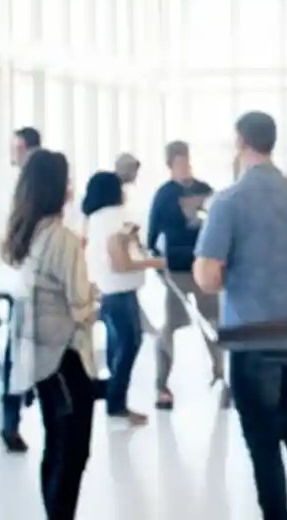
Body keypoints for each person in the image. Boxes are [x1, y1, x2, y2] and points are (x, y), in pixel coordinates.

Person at [194, 111, 287, 520]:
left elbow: (207, 276)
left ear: (240, 142)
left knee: (262, 439)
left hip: (254, 338)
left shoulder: (229, 201)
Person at [1, 150, 97, 520]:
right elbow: (80, 304)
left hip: (38, 358)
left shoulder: (26, 233)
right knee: (73, 449)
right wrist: (95, 296)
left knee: (55, 445)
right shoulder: (63, 239)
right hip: (65, 355)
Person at [83, 171, 164, 425]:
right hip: (121, 294)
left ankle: (113, 398)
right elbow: (121, 263)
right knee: (129, 345)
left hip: (106, 292)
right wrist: (157, 262)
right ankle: (116, 402)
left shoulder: (93, 219)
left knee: (116, 346)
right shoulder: (115, 219)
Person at [147, 140, 220, 410]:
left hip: (203, 265)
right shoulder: (164, 195)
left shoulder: (205, 190)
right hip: (176, 269)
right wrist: (157, 263)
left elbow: (219, 224)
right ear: (170, 164)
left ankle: (221, 376)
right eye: (178, 161)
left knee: (213, 321)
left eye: (186, 160)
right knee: (171, 325)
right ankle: (161, 384)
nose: (183, 165)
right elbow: (152, 234)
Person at [0, 125, 43, 453]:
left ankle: (13, 418)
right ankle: (12, 419)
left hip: (30, 289)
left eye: (16, 147)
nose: (13, 153)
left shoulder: (31, 188)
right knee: (22, 356)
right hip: (27, 290)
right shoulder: (18, 188)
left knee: (20, 356)